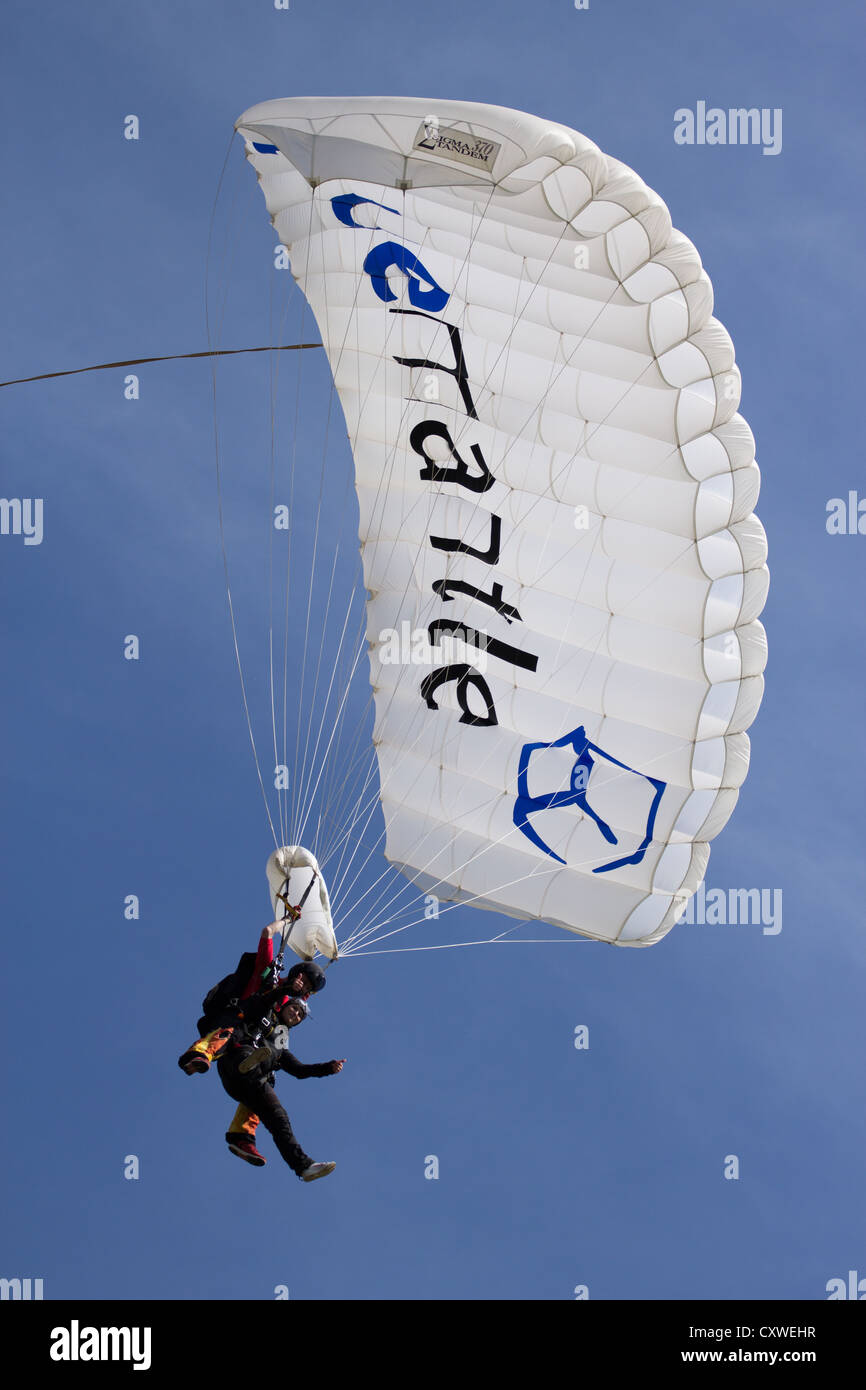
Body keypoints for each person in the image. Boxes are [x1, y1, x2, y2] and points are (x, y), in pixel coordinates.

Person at [218, 992, 346, 1180]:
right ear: (284, 1006)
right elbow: (268, 995)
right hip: (233, 1062)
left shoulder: (281, 1044)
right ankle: (247, 1063)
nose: (295, 1014)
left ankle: (303, 1166)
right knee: (249, 1054)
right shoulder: (266, 1011)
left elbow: (299, 1070)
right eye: (294, 1009)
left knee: (279, 1119)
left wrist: (328, 1067)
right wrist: (292, 987)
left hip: (249, 1084)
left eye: (300, 1016)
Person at [177, 921, 326, 1076]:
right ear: (298, 974)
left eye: (307, 989)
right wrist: (287, 919)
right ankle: (197, 1057)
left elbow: (296, 1013)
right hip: (235, 1016)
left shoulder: (285, 1003)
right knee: (225, 1034)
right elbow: (267, 932)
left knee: (268, 1056)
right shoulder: (268, 971)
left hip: (250, 1037)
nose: (303, 988)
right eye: (305, 983)